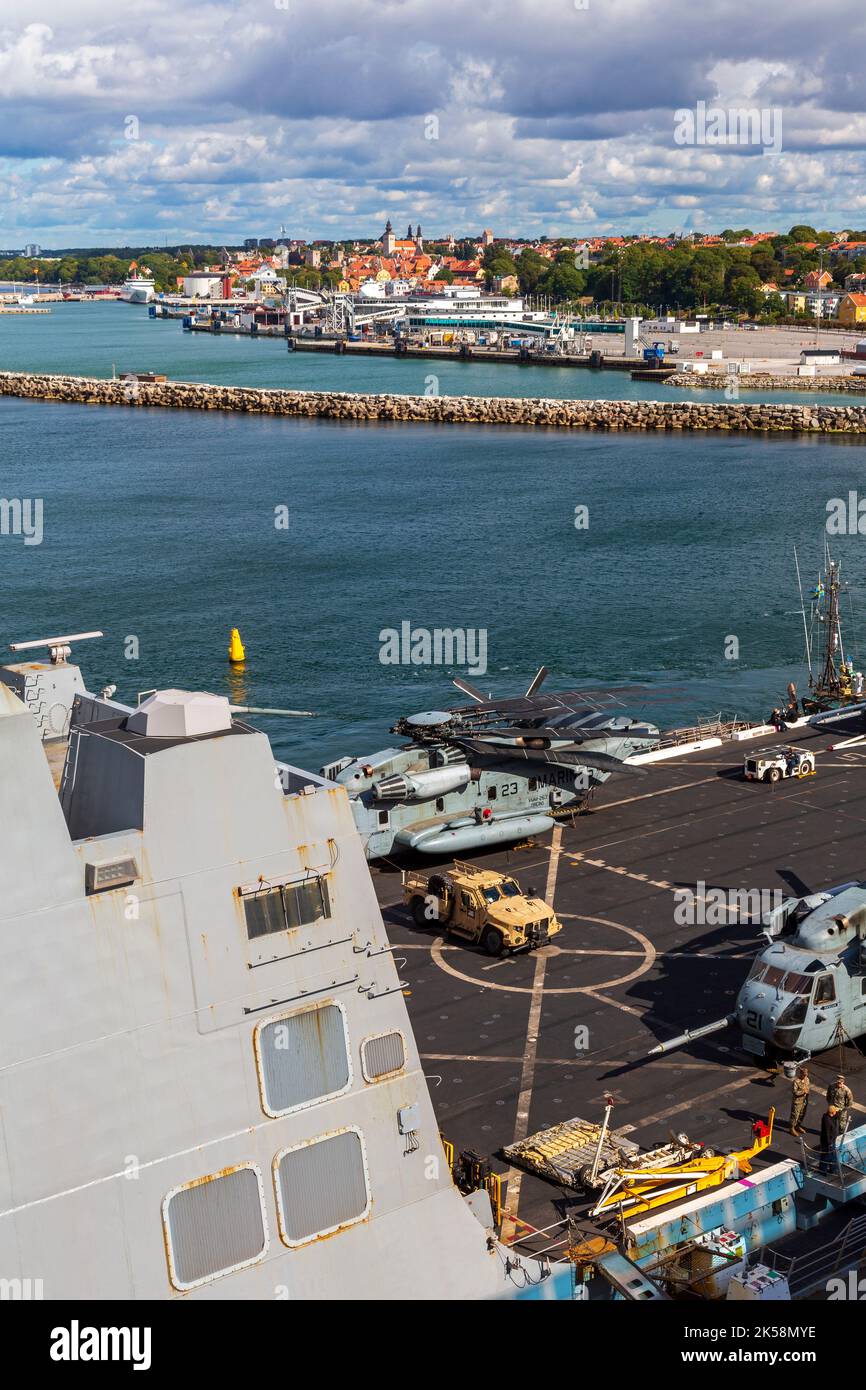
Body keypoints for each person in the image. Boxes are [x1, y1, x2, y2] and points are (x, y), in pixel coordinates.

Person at [820, 1105, 840, 1175]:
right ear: (832, 1113)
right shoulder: (827, 1121)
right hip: (828, 1142)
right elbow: (827, 1133)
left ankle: (833, 1169)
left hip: (832, 1140)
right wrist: (829, 1143)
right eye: (835, 1112)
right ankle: (823, 1171)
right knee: (826, 1156)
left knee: (832, 1155)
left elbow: (837, 1115)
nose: (836, 1112)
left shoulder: (833, 1116)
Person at [790, 1065, 810, 1136]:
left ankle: (798, 1125)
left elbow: (808, 1088)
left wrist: (806, 1095)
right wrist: (803, 1092)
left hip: (804, 1101)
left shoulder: (807, 1079)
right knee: (795, 1115)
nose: (805, 1076)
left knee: (802, 1114)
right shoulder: (796, 1081)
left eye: (806, 1075)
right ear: (800, 1074)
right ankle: (792, 1128)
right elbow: (794, 1092)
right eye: (804, 1075)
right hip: (797, 1101)